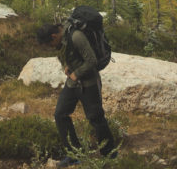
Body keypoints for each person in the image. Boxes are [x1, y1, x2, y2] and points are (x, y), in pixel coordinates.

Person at [36, 20, 118, 166]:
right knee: (60, 114)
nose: (50, 47)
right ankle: (74, 154)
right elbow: (65, 55)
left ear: (54, 36)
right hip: (72, 83)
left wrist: (77, 73)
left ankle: (110, 155)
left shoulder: (76, 36)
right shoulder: (61, 40)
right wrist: (66, 66)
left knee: (96, 118)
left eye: (50, 44)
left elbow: (92, 61)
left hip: (89, 83)